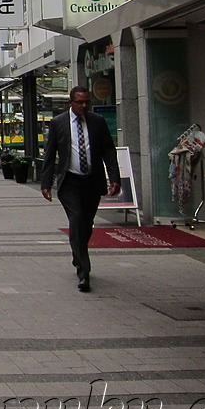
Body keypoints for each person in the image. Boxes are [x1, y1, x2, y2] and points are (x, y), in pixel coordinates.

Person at [40, 86, 120, 293]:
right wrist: (46, 183)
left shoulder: (97, 122)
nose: (83, 106)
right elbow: (50, 154)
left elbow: (108, 151)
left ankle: (78, 254)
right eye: (79, 102)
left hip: (92, 181)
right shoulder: (58, 123)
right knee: (76, 220)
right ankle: (84, 272)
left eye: (86, 102)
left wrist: (114, 178)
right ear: (70, 102)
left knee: (86, 224)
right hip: (70, 182)